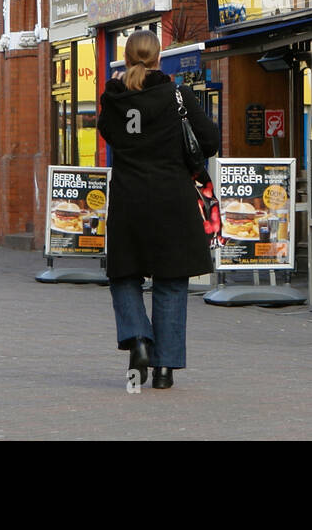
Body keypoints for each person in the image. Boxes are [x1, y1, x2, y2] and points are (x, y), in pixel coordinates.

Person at [98, 30, 219, 390]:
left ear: (127, 57)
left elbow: (109, 133)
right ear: (158, 57)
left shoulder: (114, 100)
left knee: (124, 276)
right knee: (170, 280)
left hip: (129, 199)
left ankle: (138, 340)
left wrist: (118, 91)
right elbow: (209, 140)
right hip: (172, 199)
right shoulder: (177, 96)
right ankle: (165, 370)